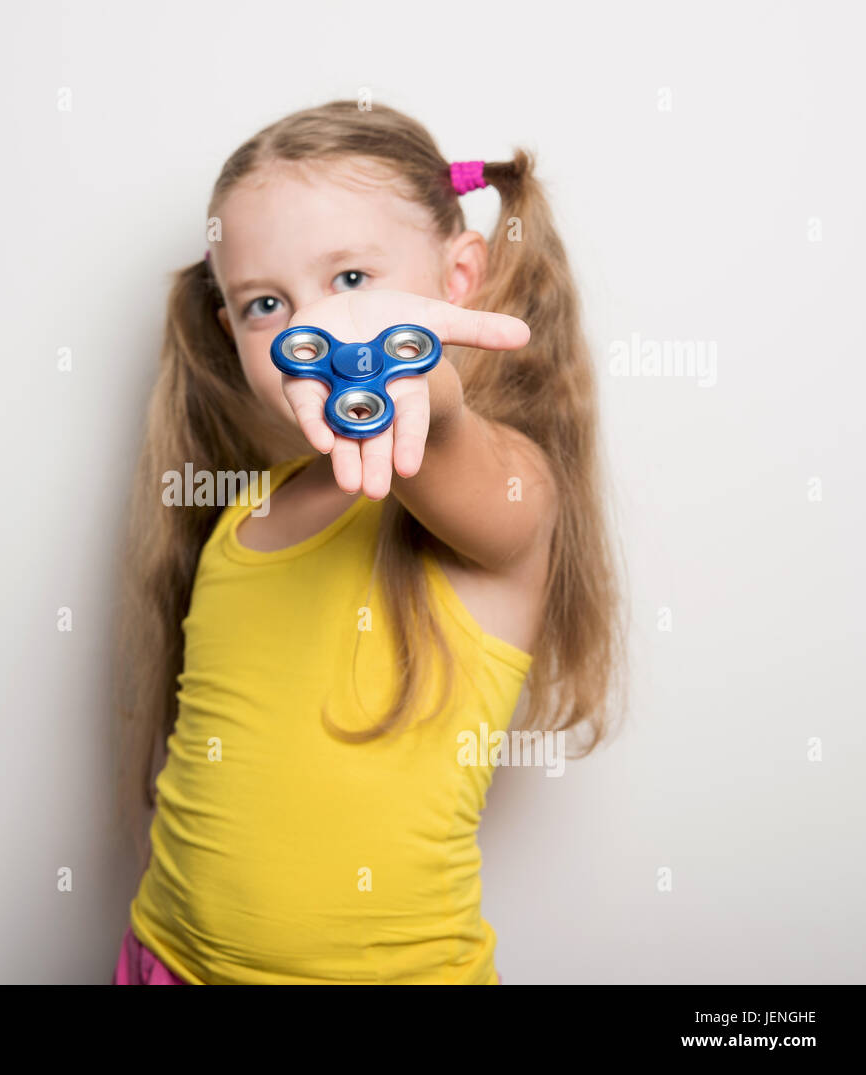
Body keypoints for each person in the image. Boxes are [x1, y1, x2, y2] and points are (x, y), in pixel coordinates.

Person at [112, 100, 625, 985]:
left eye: (352, 281)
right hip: (162, 958)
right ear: (230, 329)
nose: (316, 329)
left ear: (458, 276)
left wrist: (418, 374)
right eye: (265, 303)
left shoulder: (503, 488)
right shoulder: (246, 511)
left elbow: (449, 441)